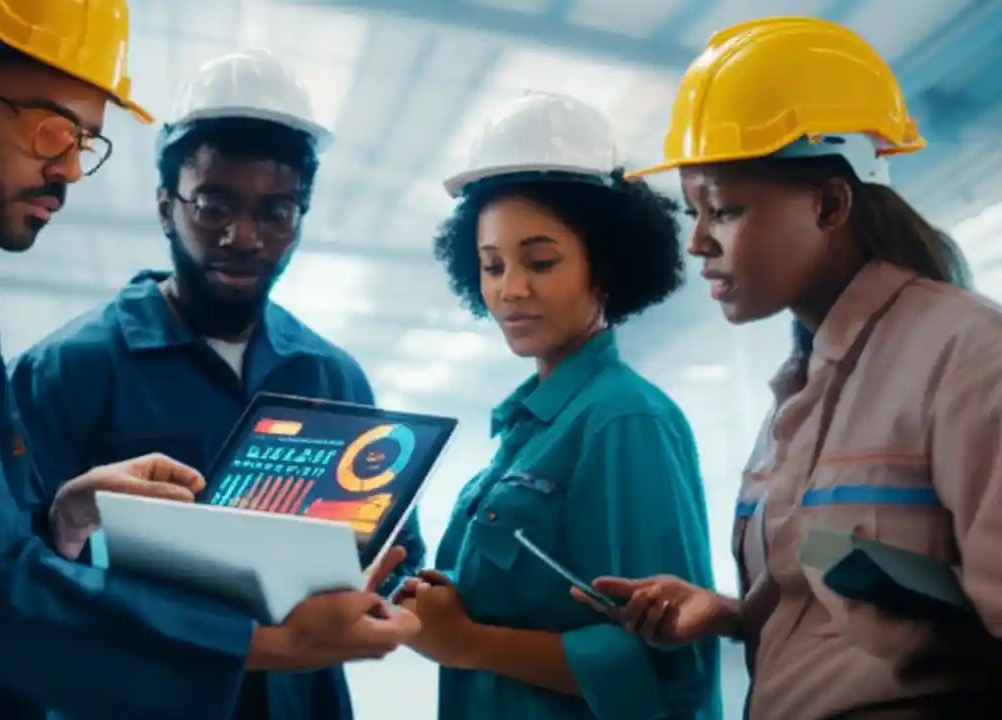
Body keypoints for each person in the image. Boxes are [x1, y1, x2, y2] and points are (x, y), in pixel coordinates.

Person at [0, 4, 419, 719]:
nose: (69, 171)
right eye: (49, 130)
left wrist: (61, 520)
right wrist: (266, 642)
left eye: (84, 141)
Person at [571, 16, 1002, 718]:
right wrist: (734, 614)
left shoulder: (967, 357)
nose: (698, 243)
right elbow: (864, 619)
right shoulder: (799, 391)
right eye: (692, 211)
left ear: (832, 203)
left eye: (725, 210)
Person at [7, 48, 426, 720]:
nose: (243, 236)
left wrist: (390, 593)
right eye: (212, 205)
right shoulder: (67, 371)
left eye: (276, 212)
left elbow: (395, 554)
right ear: (165, 207)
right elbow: (12, 580)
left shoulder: (330, 375)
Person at [393, 91, 721, 720]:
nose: (511, 290)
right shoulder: (530, 427)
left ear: (606, 265)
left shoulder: (626, 420)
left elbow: (668, 667)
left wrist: (468, 644)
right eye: (491, 266)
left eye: (541, 262)